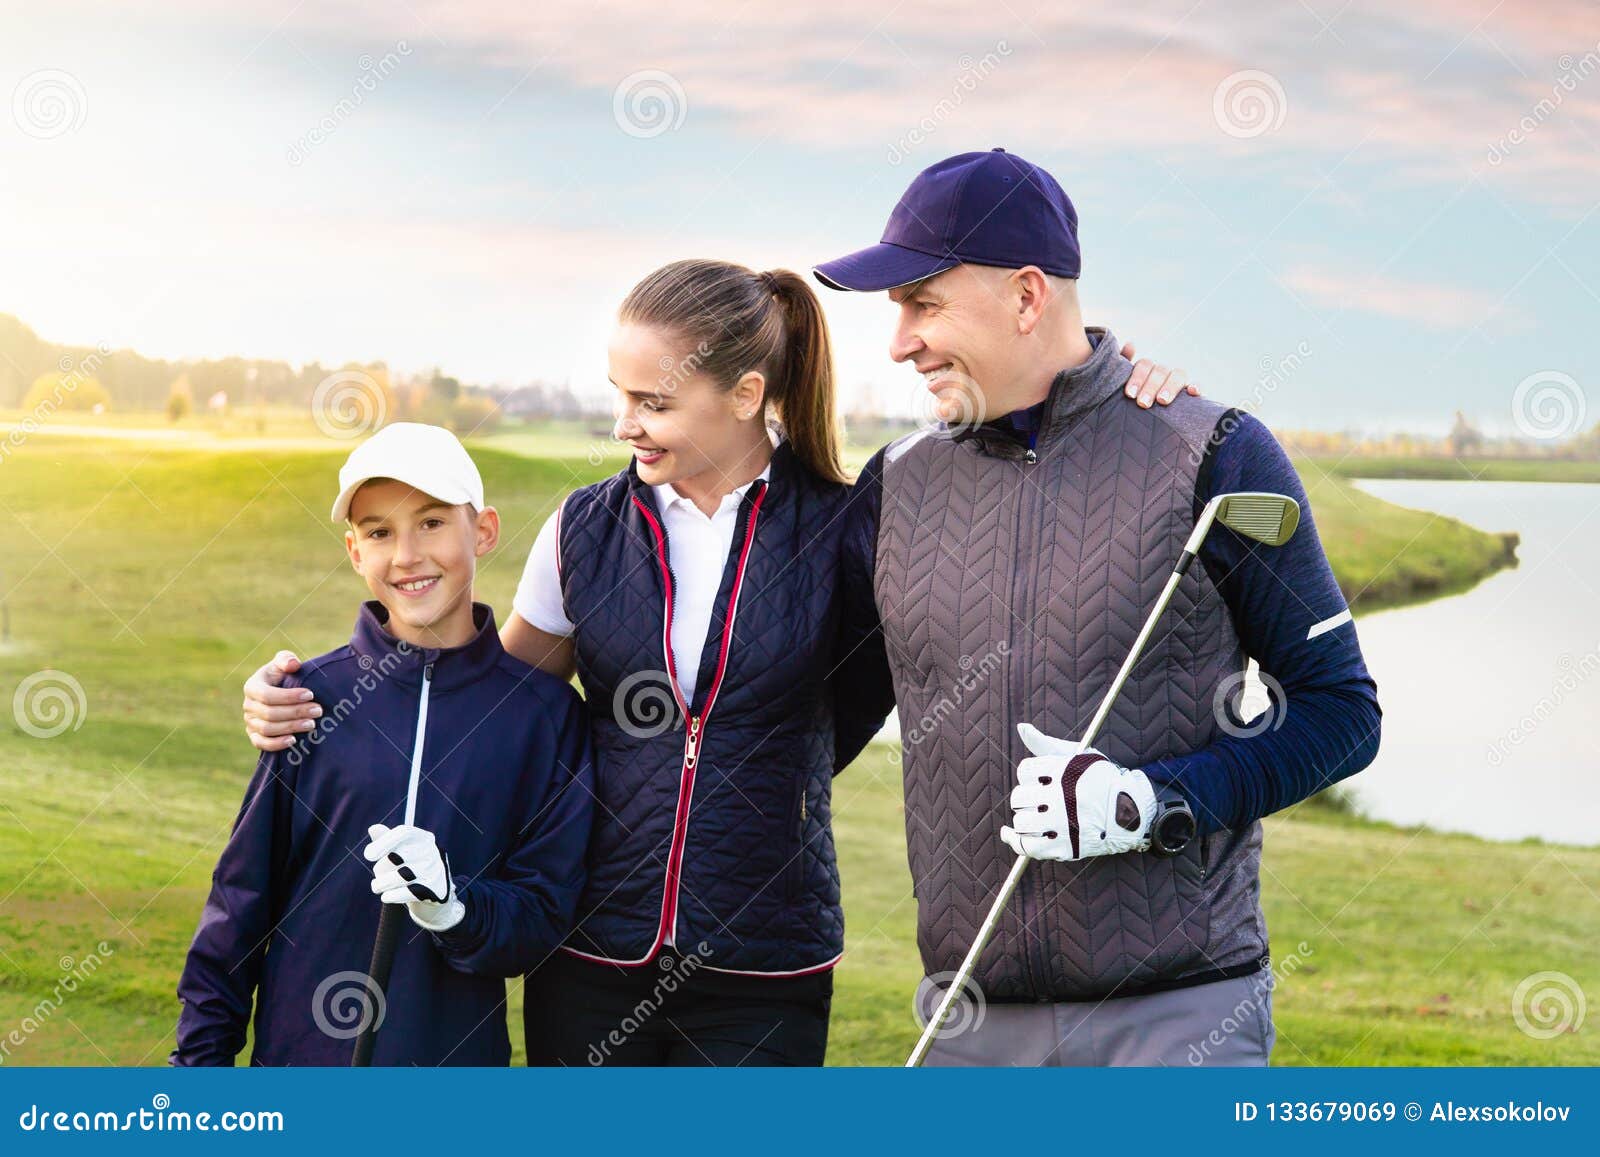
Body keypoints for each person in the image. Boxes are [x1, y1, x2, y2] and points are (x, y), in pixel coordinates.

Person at [236, 262, 1195, 1065]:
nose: (626, 424)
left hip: (766, 958)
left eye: (654, 402)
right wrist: (305, 695)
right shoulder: (584, 530)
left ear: (746, 395)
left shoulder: (854, 524)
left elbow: (1008, 477)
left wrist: (1118, 391)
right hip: (590, 955)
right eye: (620, 396)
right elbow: (486, 702)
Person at [815, 148, 1382, 1066]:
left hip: (1178, 1018)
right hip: (966, 1024)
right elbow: (819, 721)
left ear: (1028, 296)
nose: (899, 341)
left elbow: (1341, 713)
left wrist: (1152, 800)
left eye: (923, 304)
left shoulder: (1215, 453)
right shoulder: (894, 486)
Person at [172, 423, 594, 1066]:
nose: (406, 555)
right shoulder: (307, 699)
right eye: (379, 532)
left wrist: (455, 905)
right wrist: (198, 1066)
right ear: (354, 551)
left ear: (482, 530)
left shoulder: (545, 716)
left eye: (430, 523)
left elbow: (542, 915)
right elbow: (240, 902)